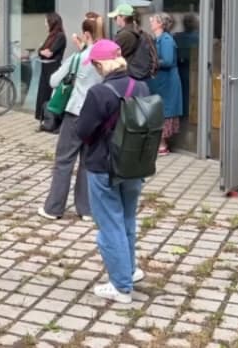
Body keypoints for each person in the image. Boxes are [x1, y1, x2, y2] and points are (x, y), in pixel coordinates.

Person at [75, 39, 150, 304]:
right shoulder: (140, 85)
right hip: (133, 164)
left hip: (103, 166)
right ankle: (129, 269)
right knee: (127, 219)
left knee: (109, 226)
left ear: (99, 64)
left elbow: (82, 131)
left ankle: (120, 286)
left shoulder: (99, 93)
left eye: (94, 65)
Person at [39, 18, 102, 222]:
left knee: (64, 160)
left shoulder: (78, 58)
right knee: (87, 162)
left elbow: (54, 80)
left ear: (86, 35)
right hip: (96, 116)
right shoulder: (107, 57)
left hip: (75, 112)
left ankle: (54, 207)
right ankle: (86, 210)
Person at [148, 13, 183, 155]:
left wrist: (150, 63)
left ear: (161, 24)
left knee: (165, 111)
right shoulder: (159, 39)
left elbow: (167, 61)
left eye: (153, 20)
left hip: (167, 82)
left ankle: (162, 145)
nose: (151, 22)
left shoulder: (166, 39)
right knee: (160, 110)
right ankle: (160, 144)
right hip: (161, 81)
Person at [35, 13, 66, 122]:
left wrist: (43, 51)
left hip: (53, 68)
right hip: (45, 68)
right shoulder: (51, 36)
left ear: (52, 22)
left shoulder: (60, 36)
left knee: (50, 94)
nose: (45, 24)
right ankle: (42, 118)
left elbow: (50, 53)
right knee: (42, 94)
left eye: (46, 21)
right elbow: (40, 51)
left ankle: (51, 120)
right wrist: (42, 51)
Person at [174, 14, 199, 119]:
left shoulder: (177, 37)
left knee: (183, 92)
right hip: (192, 69)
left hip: (181, 68)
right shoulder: (199, 37)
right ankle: (190, 114)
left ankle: (183, 113)